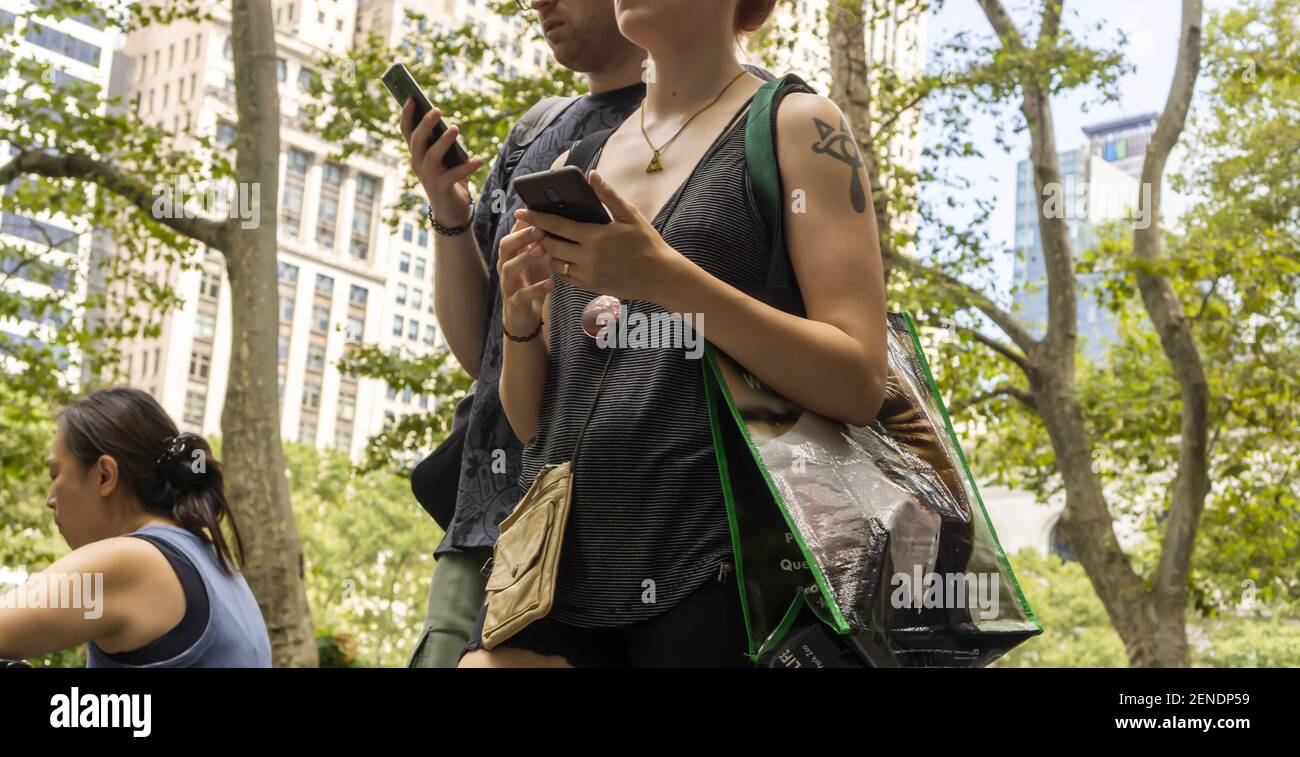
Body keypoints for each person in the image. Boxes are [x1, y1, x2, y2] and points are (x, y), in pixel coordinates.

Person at [462, 0, 889, 667]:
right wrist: (519, 326)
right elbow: (532, 425)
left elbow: (861, 378)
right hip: (550, 582)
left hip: (717, 584)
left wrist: (667, 280)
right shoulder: (583, 158)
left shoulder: (799, 127)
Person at [400, 0, 648, 668]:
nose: (538, 1)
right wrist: (449, 209)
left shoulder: (717, 122)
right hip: (488, 521)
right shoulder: (536, 130)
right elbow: (477, 351)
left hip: (617, 538)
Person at [0, 387, 272, 668]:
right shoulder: (212, 562)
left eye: (56, 474)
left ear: (105, 475)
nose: (50, 499)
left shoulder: (130, 561)